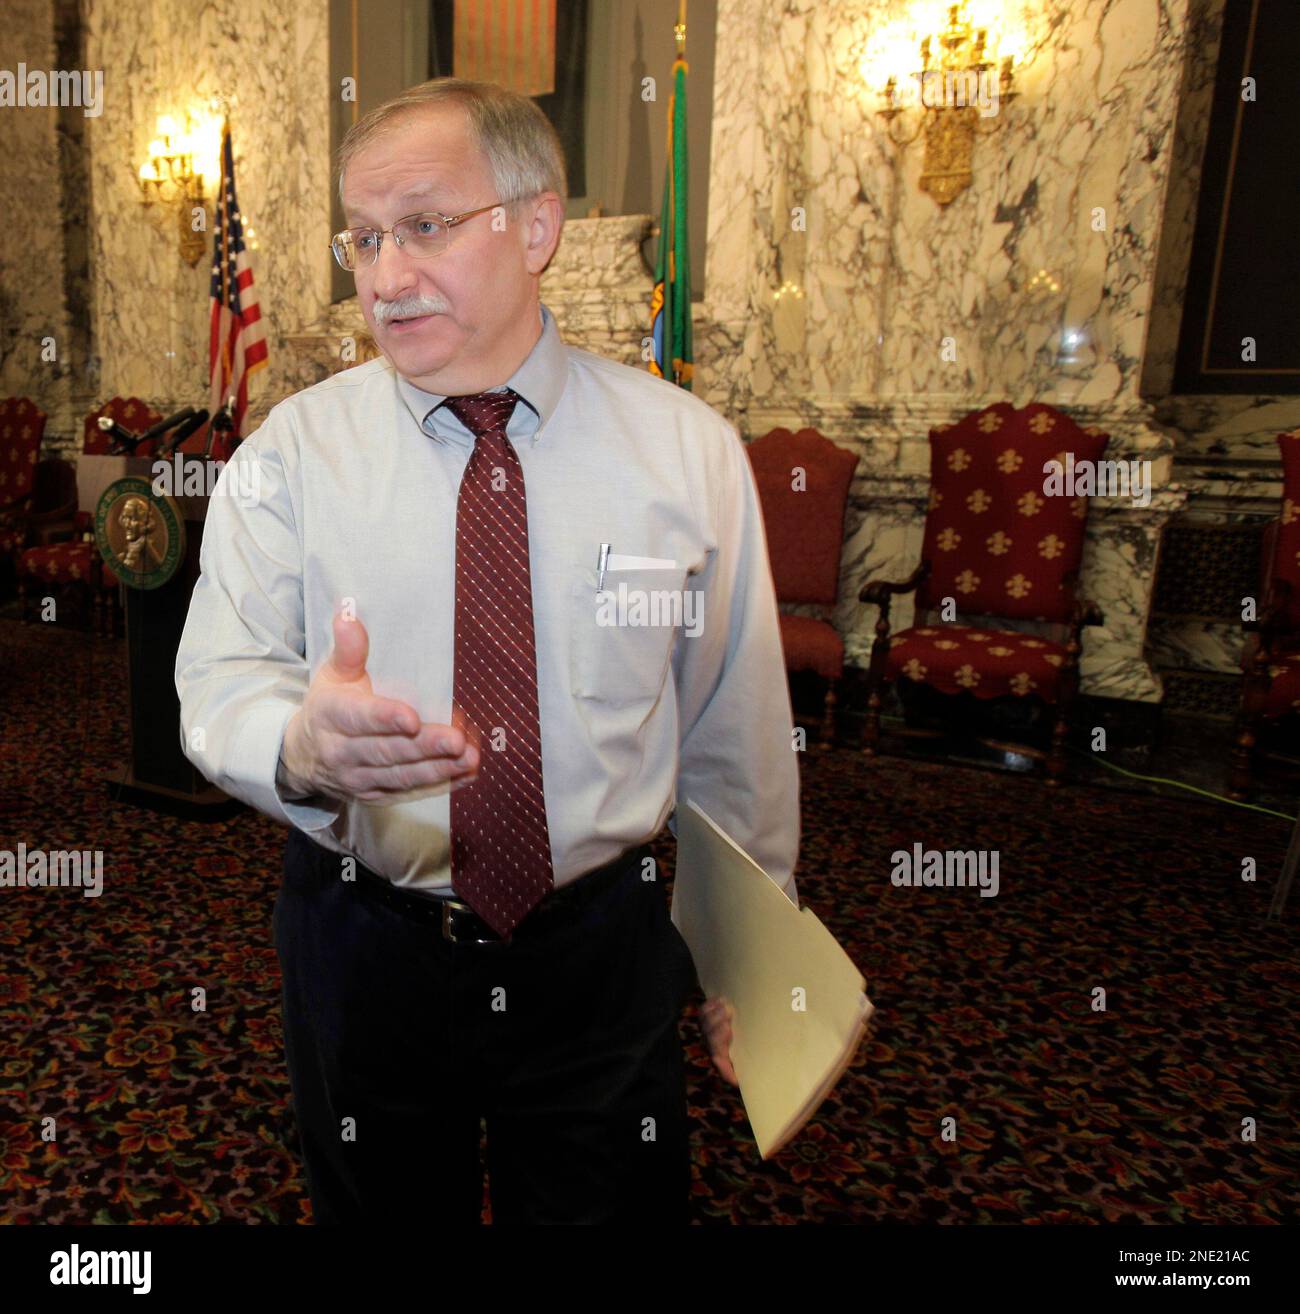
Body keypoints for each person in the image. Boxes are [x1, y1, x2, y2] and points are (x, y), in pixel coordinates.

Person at [175, 77, 800, 1225]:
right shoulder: (291, 456)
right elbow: (219, 679)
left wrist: (749, 959)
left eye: (423, 224)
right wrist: (301, 744)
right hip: (364, 939)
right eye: (362, 236)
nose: (382, 273)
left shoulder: (686, 453)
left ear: (537, 225)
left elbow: (733, 732)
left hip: (600, 952)